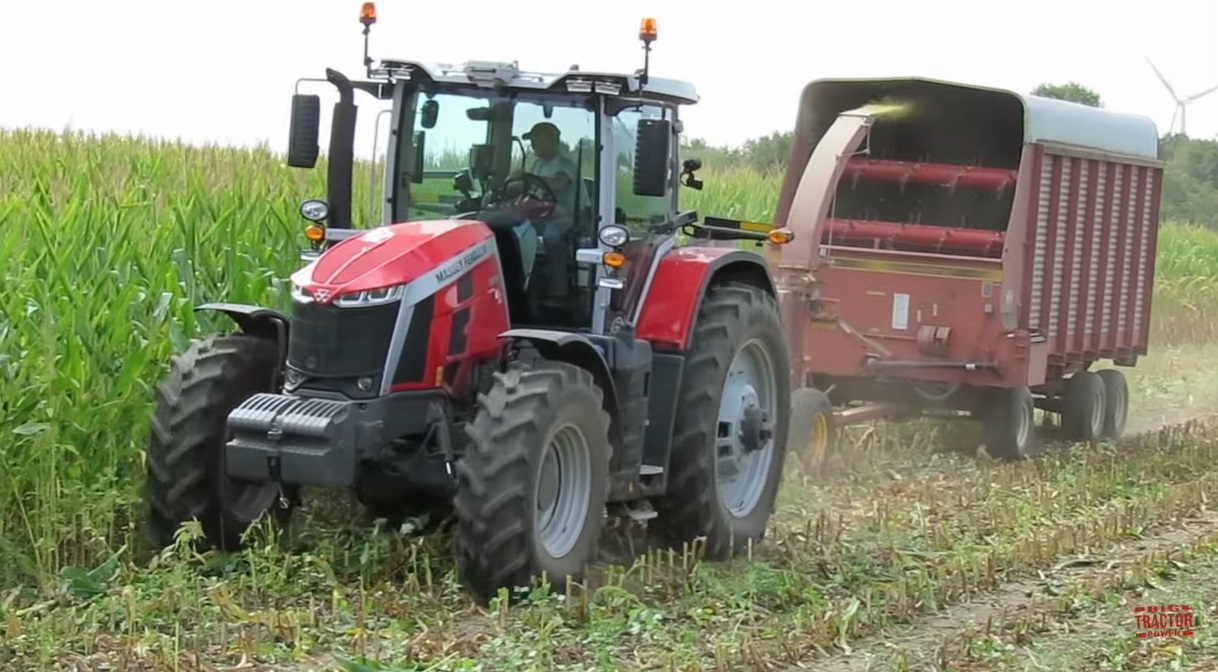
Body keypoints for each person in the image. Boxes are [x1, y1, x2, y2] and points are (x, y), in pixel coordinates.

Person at [513, 121, 580, 218]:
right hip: (546, 213)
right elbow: (532, 187)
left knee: (551, 232)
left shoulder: (565, 164)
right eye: (531, 140)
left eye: (536, 139)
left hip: (567, 218)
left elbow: (558, 184)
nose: (532, 144)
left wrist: (526, 177)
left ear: (551, 140)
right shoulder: (538, 164)